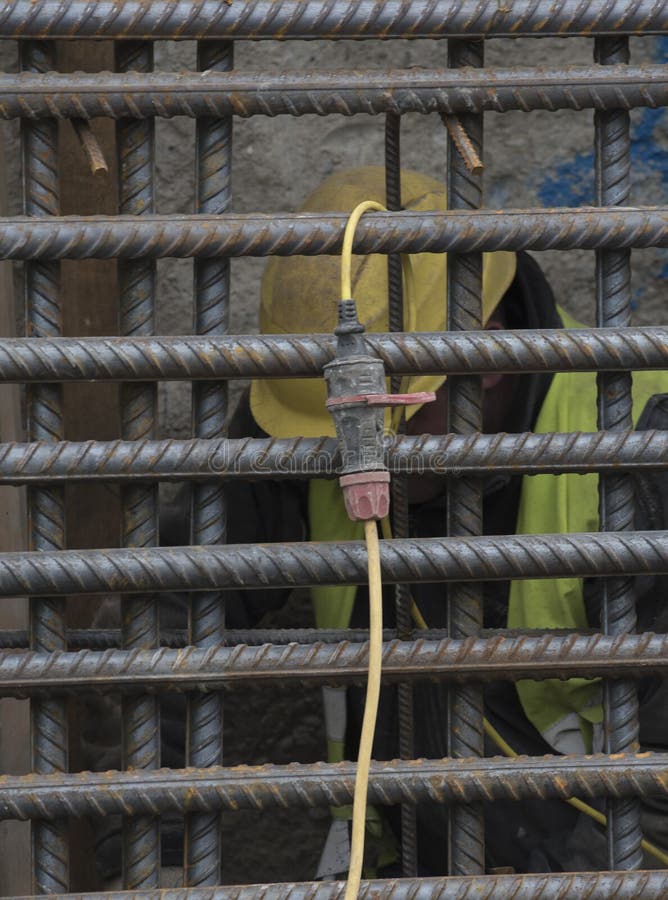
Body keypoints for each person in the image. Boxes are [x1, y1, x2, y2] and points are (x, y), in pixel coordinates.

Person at [85, 165, 668, 880]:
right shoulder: (322, 423)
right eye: (333, 422)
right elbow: (162, 605)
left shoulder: (639, 448)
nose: (348, 457)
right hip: (393, 865)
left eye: (377, 418)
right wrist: (150, 854)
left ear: (486, 354)